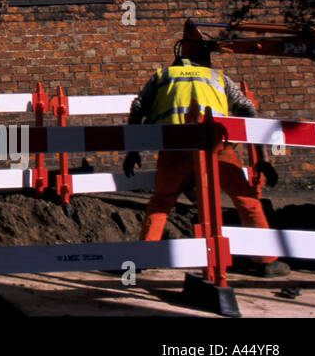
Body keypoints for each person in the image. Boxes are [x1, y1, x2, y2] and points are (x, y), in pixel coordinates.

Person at [124, 51, 289, 277]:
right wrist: (262, 158)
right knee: (247, 199)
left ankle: (144, 257)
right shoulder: (217, 77)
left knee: (162, 200)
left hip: (174, 147)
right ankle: (266, 261)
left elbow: (138, 108)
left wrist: (133, 150)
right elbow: (248, 109)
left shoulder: (163, 76)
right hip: (217, 148)